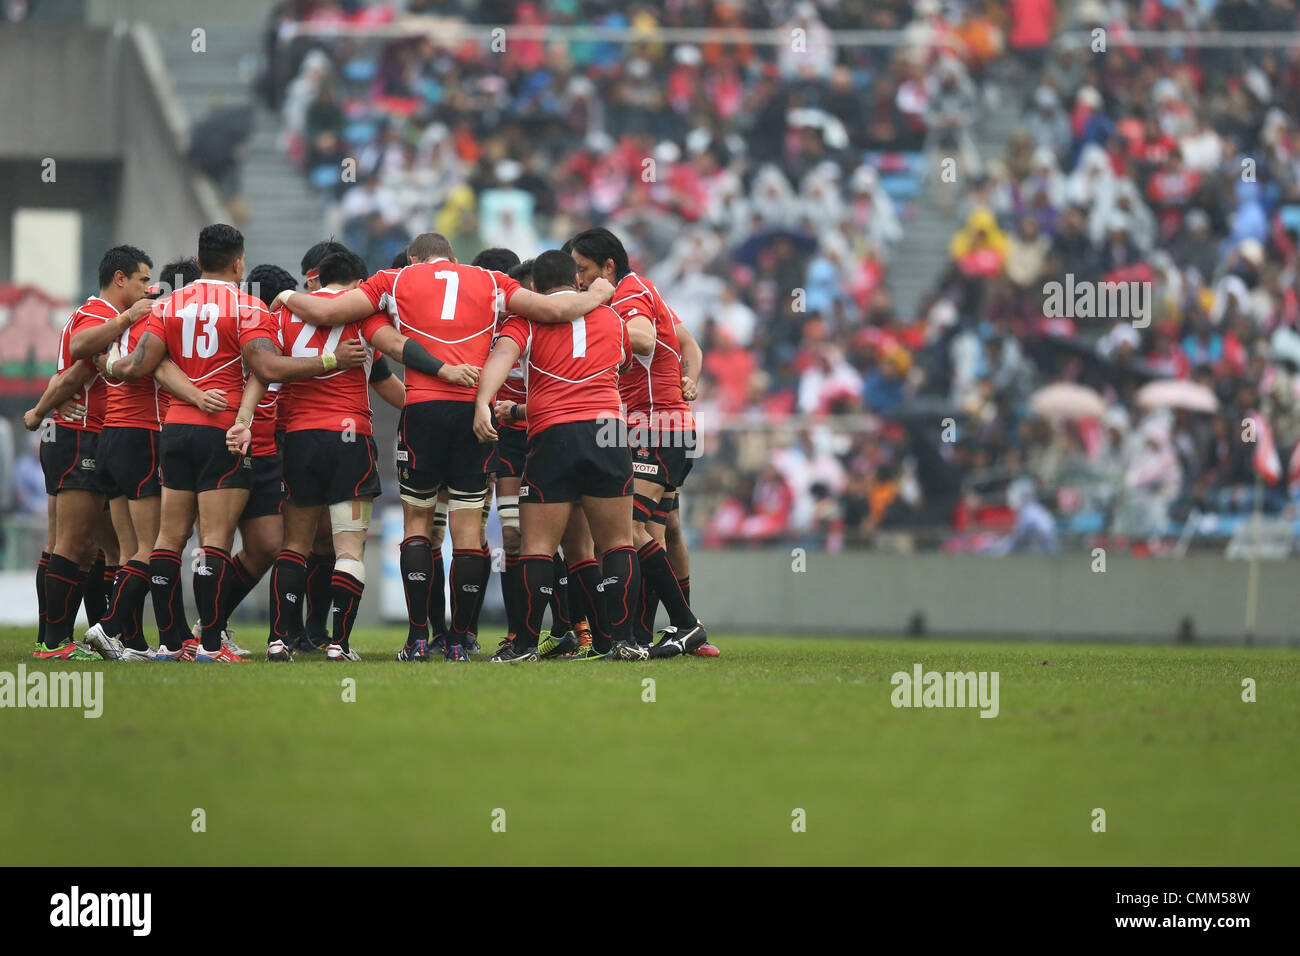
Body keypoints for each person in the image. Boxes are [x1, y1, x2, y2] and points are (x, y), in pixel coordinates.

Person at [275, 231, 615, 661]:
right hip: (474, 411)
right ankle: (460, 640)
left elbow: (329, 311)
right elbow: (552, 307)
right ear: (453, 258)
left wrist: (287, 293)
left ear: (414, 258)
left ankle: (418, 637)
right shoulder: (489, 281)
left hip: (422, 410)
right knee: (468, 531)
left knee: (418, 524)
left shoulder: (394, 280)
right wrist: (600, 291)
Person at [101, 223, 366, 661]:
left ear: (200, 258)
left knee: (170, 538)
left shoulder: (167, 307)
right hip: (226, 433)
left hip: (176, 431)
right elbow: (268, 367)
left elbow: (142, 364)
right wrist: (329, 360)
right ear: (238, 261)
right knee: (215, 542)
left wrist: (113, 363)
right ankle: (208, 643)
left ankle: (171, 641)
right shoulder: (247, 308)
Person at [257, 248, 469, 661]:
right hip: (350, 439)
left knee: (294, 546)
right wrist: (440, 402)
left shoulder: (284, 313)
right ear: (359, 283)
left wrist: (246, 417)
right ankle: (339, 644)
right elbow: (395, 357)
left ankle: (279, 640)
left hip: (299, 437)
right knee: (349, 548)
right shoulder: (366, 317)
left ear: (317, 277)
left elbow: (265, 371)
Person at [472, 249, 655, 661]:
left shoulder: (527, 320)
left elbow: (501, 359)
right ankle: (624, 642)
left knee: (536, 545)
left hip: (553, 433)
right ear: (577, 281)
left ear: (533, 287)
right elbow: (625, 361)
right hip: (607, 433)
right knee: (616, 544)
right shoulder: (611, 319)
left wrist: (483, 403)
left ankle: (523, 645)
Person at [566, 228, 708, 658]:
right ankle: (645, 637)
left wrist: (606, 340)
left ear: (608, 267)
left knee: (628, 529)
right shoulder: (646, 288)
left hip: (655, 428)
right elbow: (689, 345)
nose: (578, 280)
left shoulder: (627, 296)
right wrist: (690, 379)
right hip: (662, 427)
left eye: (583, 269)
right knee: (657, 533)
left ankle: (685, 625)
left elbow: (644, 338)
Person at [23, 245, 152, 660]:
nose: (147, 289)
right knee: (75, 544)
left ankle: (56, 638)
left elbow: (69, 376)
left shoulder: (92, 313)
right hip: (80, 435)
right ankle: (54, 643)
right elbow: (78, 360)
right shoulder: (101, 316)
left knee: (74, 544)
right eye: (143, 280)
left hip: (72, 434)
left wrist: (44, 408)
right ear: (120, 278)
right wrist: (41, 408)